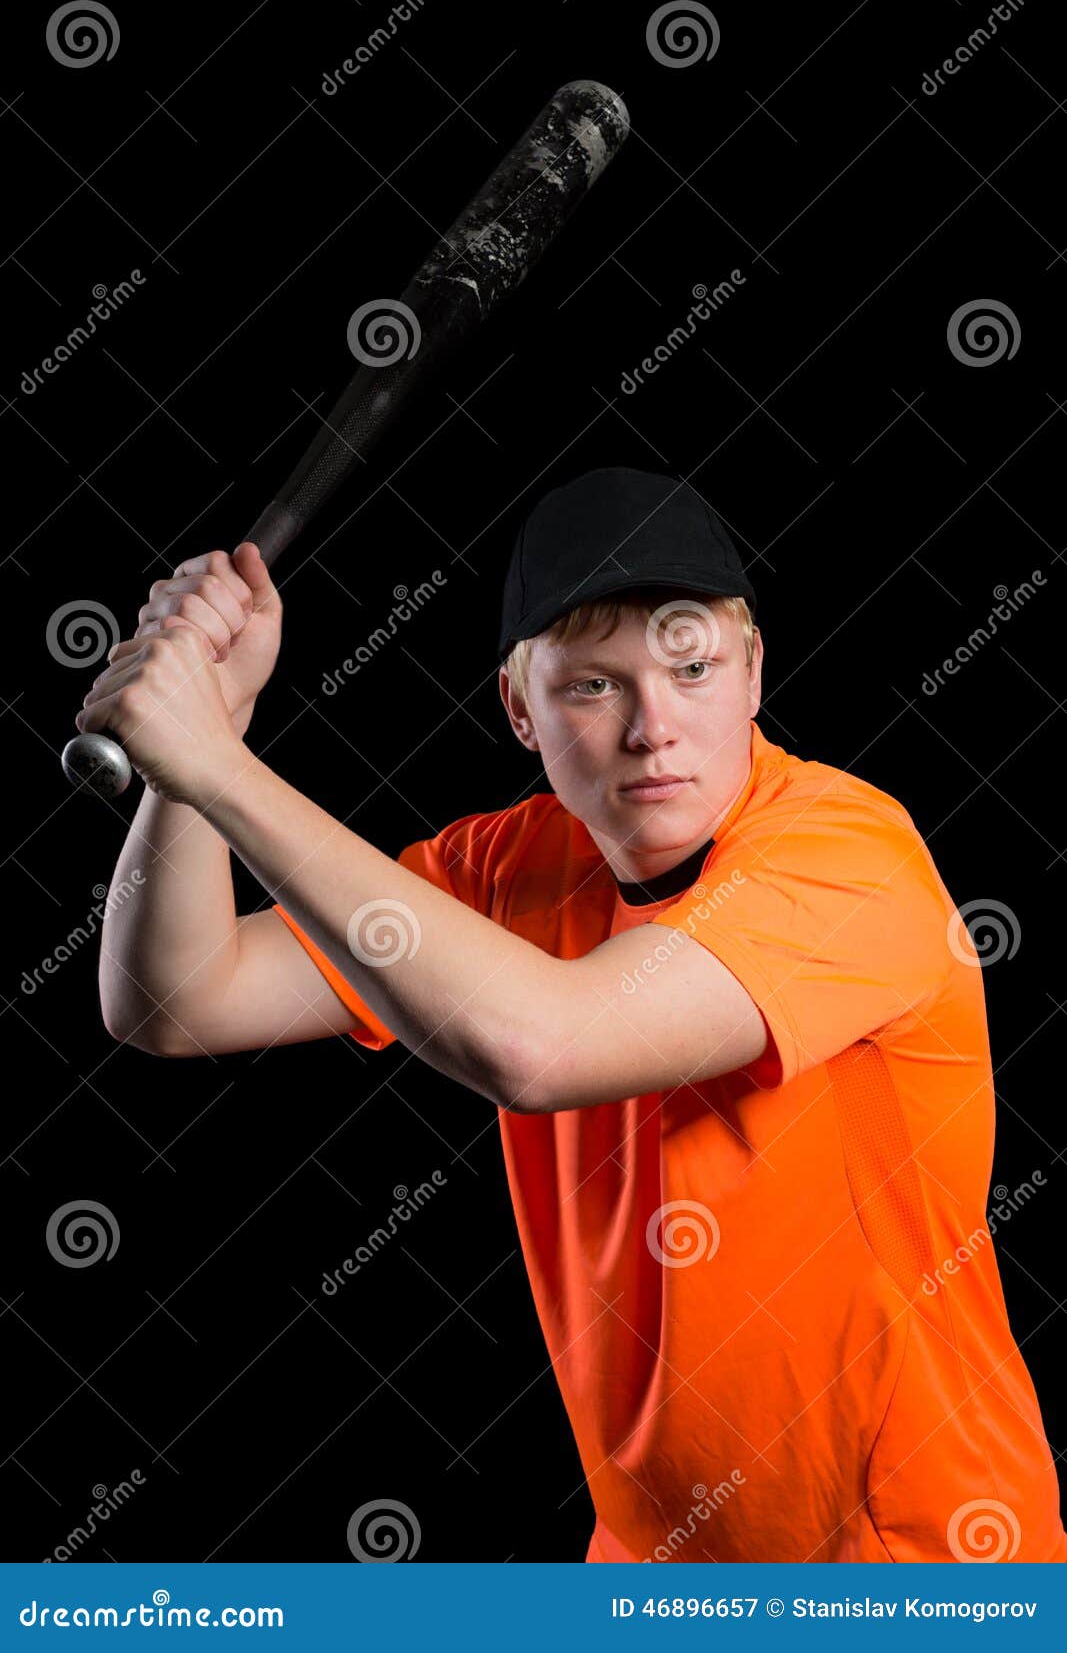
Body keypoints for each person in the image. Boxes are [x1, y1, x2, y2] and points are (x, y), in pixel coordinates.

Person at [92, 466, 1066, 1563]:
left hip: (909, 1557)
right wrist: (199, 743)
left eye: (690, 668)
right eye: (594, 686)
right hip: (647, 1561)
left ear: (751, 673)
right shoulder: (504, 866)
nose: (653, 726)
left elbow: (539, 1044)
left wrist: (219, 769)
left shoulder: (847, 855)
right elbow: (173, 998)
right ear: (519, 708)